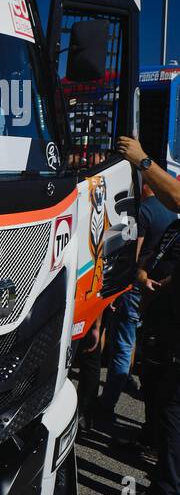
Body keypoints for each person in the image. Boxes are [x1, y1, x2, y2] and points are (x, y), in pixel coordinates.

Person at [114, 136, 180, 495]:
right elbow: (154, 258)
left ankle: (169, 493)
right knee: (161, 402)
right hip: (161, 328)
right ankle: (160, 468)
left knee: (172, 408)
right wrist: (144, 274)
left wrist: (142, 161)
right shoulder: (173, 226)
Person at [95, 180, 178, 436]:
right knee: (134, 345)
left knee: (122, 345)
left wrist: (119, 286)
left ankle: (106, 405)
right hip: (158, 294)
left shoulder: (141, 210)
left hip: (136, 288)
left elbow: (133, 250)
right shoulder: (170, 213)